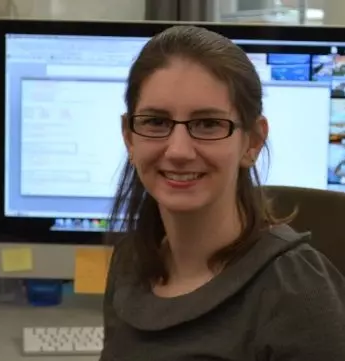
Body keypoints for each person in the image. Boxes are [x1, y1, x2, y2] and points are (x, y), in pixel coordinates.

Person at [100, 25, 345, 360]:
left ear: (253, 141)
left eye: (208, 124)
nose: (179, 150)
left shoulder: (297, 293)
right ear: (129, 137)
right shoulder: (131, 262)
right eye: (156, 122)